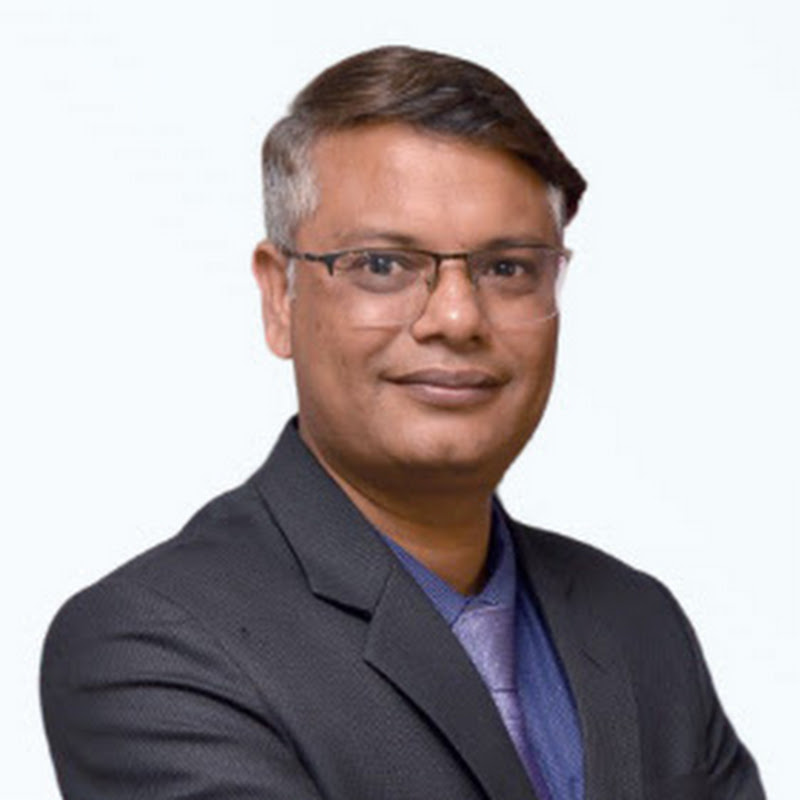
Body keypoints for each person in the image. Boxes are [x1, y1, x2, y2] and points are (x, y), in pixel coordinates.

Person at [40, 46, 765, 800]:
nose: (456, 317)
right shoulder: (155, 645)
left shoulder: (638, 622)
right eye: (383, 264)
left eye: (508, 268)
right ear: (280, 298)